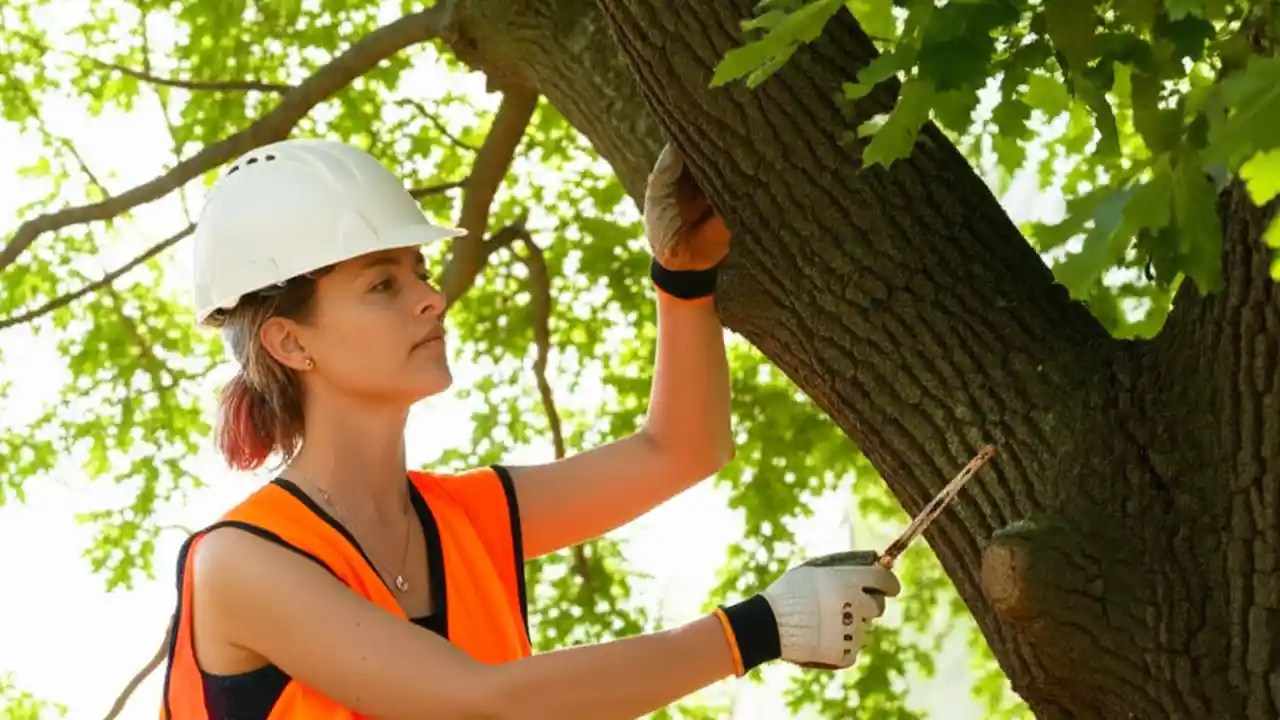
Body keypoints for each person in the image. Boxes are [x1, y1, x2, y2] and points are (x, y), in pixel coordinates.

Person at [158, 138, 901, 719]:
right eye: (384, 284)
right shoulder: (241, 565)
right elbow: (488, 702)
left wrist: (682, 279)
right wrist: (761, 628)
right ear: (290, 343)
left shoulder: (464, 520)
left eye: (419, 271)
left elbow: (684, 449)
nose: (431, 298)